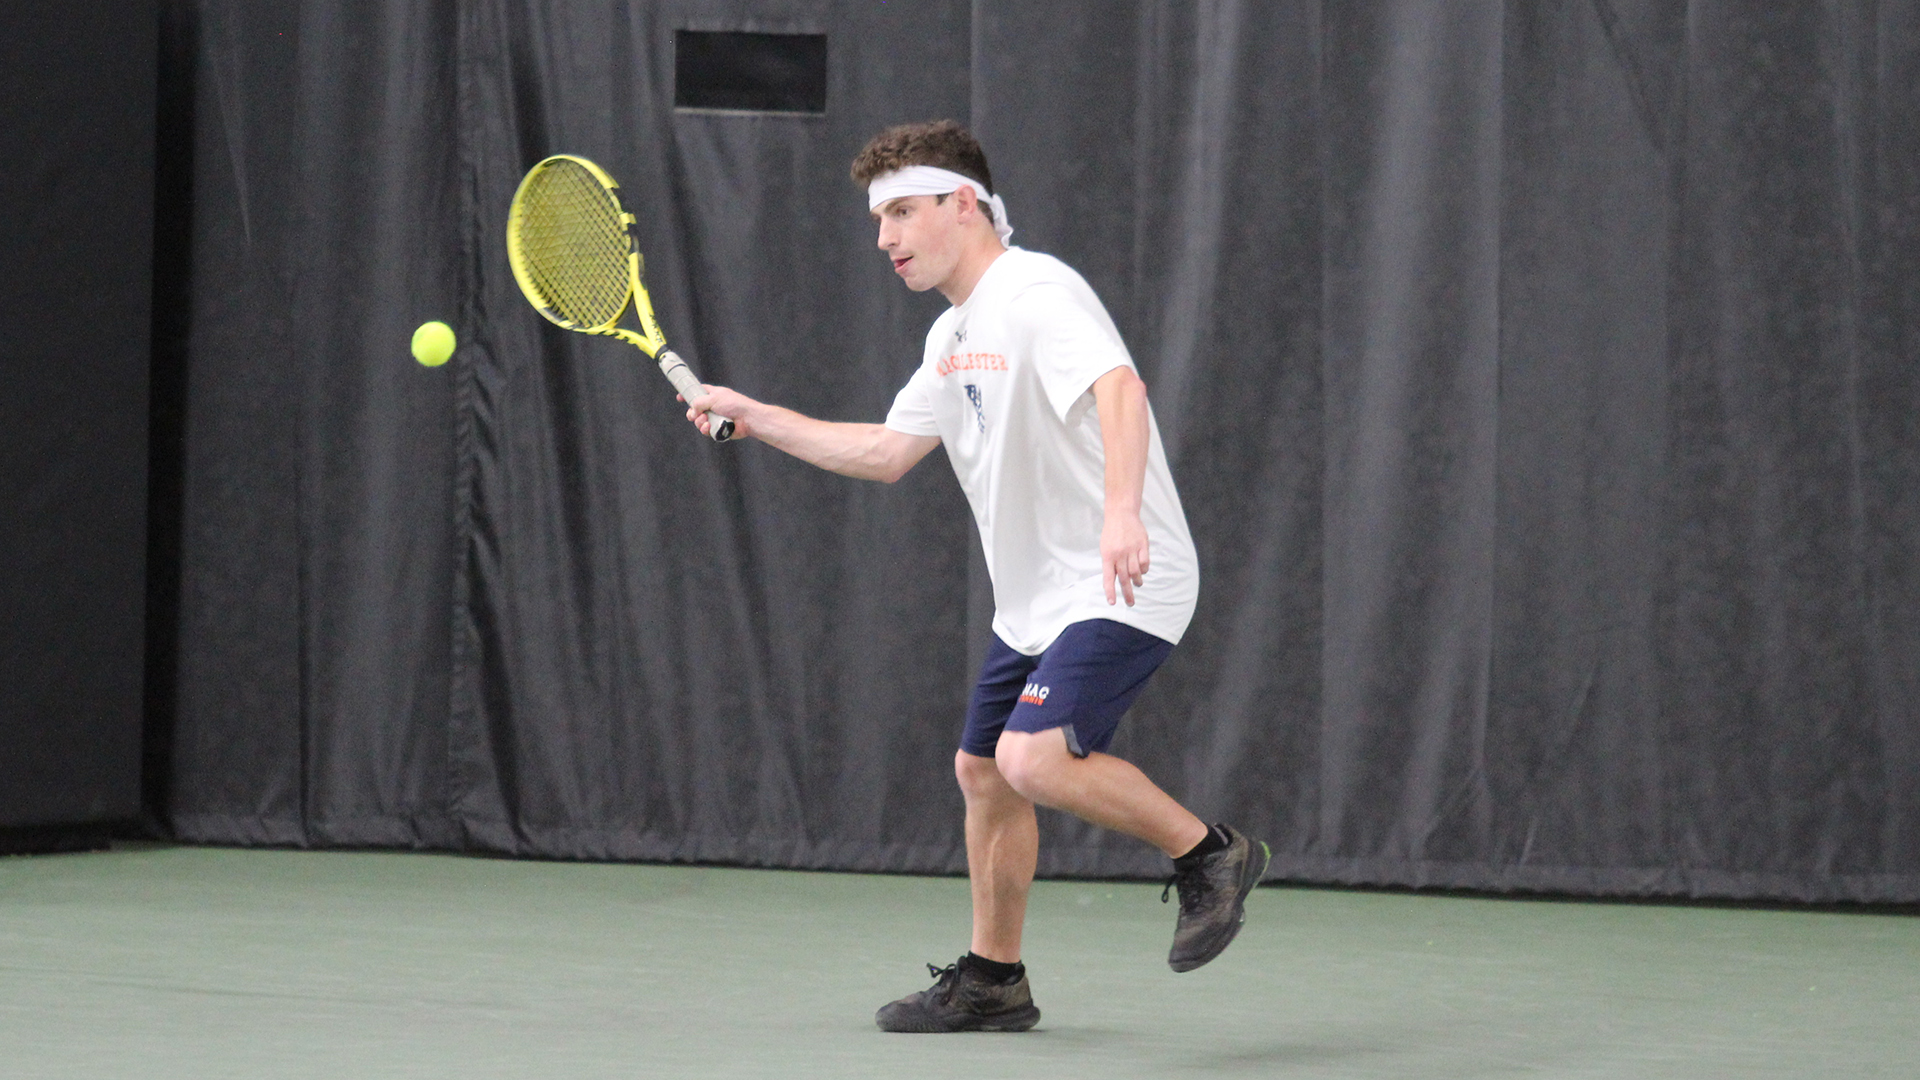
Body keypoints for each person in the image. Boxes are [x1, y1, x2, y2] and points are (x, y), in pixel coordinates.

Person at [684, 120, 1269, 1033]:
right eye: (878, 221)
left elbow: (1120, 388)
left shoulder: (1036, 292)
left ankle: (1210, 854)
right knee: (984, 771)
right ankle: (995, 980)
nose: (885, 238)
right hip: (1033, 602)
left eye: (901, 213)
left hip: (1122, 579)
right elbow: (886, 452)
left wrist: (1122, 511)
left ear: (963, 205)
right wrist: (756, 416)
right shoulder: (952, 336)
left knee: (1029, 757)